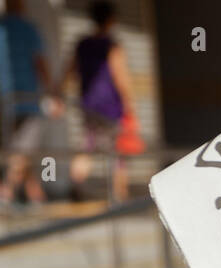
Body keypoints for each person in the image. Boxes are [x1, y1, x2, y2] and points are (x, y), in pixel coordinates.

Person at [54, 0, 134, 202]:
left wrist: (57, 95)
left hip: (88, 105)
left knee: (88, 146)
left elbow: (68, 72)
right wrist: (130, 107)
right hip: (110, 108)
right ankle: (120, 195)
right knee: (117, 152)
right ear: (111, 20)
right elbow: (121, 77)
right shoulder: (112, 45)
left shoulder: (82, 44)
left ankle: (76, 183)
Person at [0, 0, 53, 205]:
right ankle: (5, 192)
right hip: (28, 101)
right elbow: (40, 62)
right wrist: (51, 93)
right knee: (22, 154)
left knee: (22, 154)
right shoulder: (28, 29)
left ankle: (37, 197)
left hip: (4, 102)